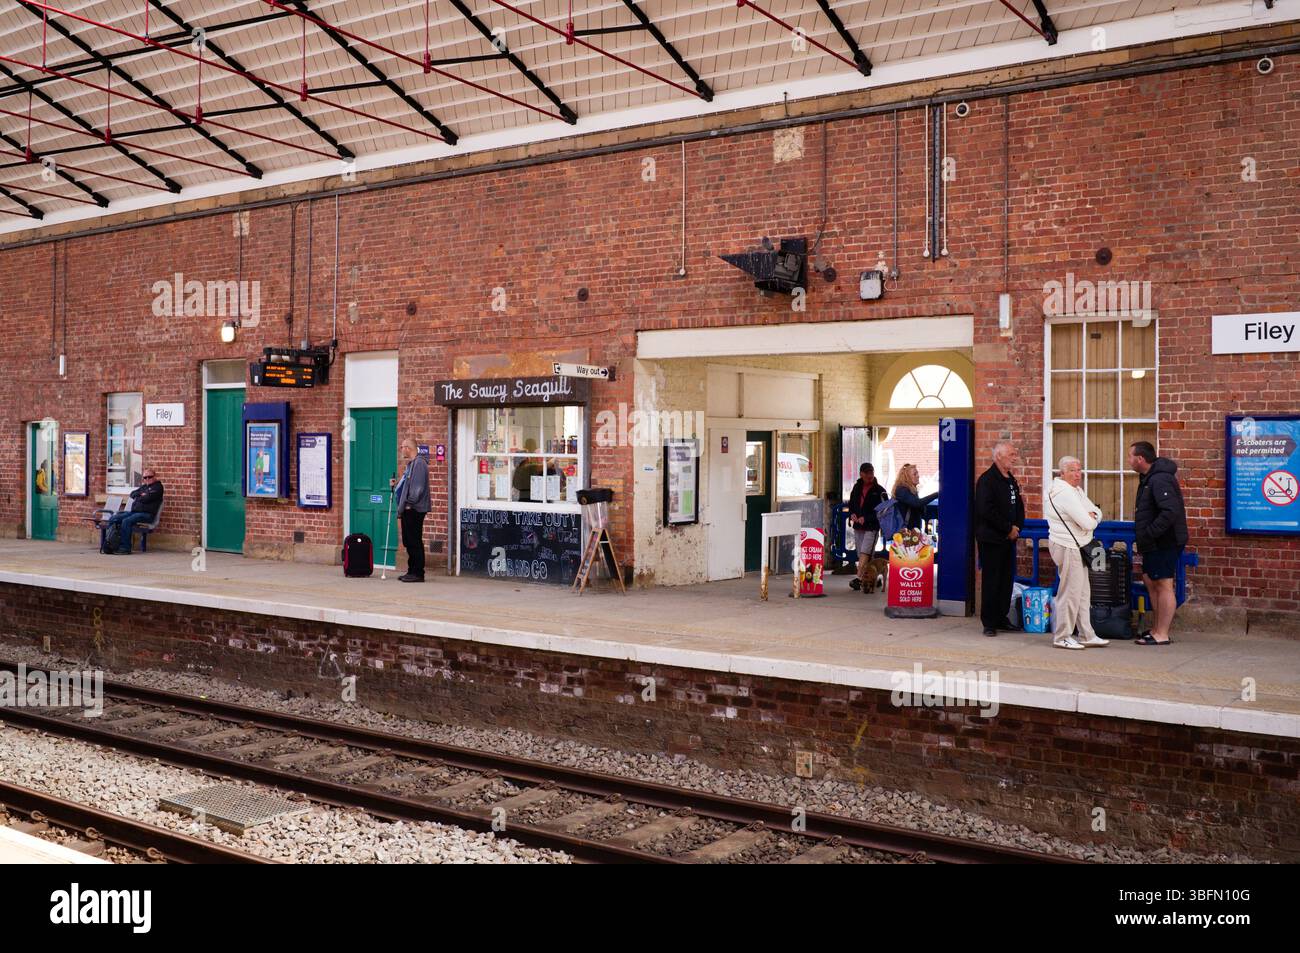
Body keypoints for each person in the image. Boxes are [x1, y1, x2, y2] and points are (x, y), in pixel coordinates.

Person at [1045, 456, 1108, 650]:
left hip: (1078, 545)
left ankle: (1086, 634)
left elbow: (1096, 511)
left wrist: (1093, 514)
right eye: (1072, 470)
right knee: (1070, 593)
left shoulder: (1075, 490)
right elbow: (1088, 522)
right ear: (1061, 473)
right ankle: (1062, 636)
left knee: (1082, 593)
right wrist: (1092, 517)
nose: (1077, 474)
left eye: (1079, 470)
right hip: (1068, 546)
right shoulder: (1064, 493)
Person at [1129, 441, 1188, 645]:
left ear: (1140, 459)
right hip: (1153, 541)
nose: (1128, 461)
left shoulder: (1160, 479)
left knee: (1163, 584)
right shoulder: (1148, 478)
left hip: (1165, 540)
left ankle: (1162, 633)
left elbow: (1170, 511)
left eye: (1130, 456)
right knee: (1150, 580)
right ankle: (1155, 629)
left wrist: (1151, 533)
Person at [974, 442, 1025, 636]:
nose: (1014, 457)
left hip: (1009, 539)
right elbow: (986, 510)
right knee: (992, 580)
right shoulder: (987, 480)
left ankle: (1001, 617)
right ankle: (989, 622)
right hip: (992, 538)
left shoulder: (1010, 479)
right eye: (1011, 454)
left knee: (1006, 580)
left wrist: (1018, 526)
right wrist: (1007, 528)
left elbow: (1018, 505)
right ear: (999, 457)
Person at [392, 438, 430, 583]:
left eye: (402, 447)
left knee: (414, 540)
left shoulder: (419, 464)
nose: (401, 450)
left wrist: (409, 503)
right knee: (409, 541)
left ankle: (418, 572)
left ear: (408, 448)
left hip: (414, 509)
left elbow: (417, 488)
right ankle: (411, 570)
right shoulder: (412, 464)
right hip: (409, 508)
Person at [847, 463, 888, 591]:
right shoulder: (856, 487)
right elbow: (852, 503)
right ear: (861, 474)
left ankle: (858, 579)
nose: (870, 475)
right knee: (864, 555)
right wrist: (852, 514)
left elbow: (884, 510)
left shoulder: (879, 490)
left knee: (865, 552)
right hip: (858, 526)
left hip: (872, 527)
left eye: (871, 472)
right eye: (867, 473)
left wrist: (867, 518)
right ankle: (874, 578)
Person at [106, 467, 163, 555]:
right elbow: (132, 494)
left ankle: (125, 547)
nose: (147, 479)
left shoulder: (158, 487)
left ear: (154, 477)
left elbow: (147, 498)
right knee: (114, 518)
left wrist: (141, 496)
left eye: (150, 477)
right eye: (145, 477)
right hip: (135, 512)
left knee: (127, 521)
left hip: (147, 515)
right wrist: (141, 494)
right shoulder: (144, 487)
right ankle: (110, 544)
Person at [892, 464, 937, 531]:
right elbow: (917, 503)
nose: (918, 476)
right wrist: (936, 494)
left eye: (917, 473)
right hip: (905, 533)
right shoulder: (901, 490)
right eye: (915, 474)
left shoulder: (911, 490)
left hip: (912, 532)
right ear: (907, 477)